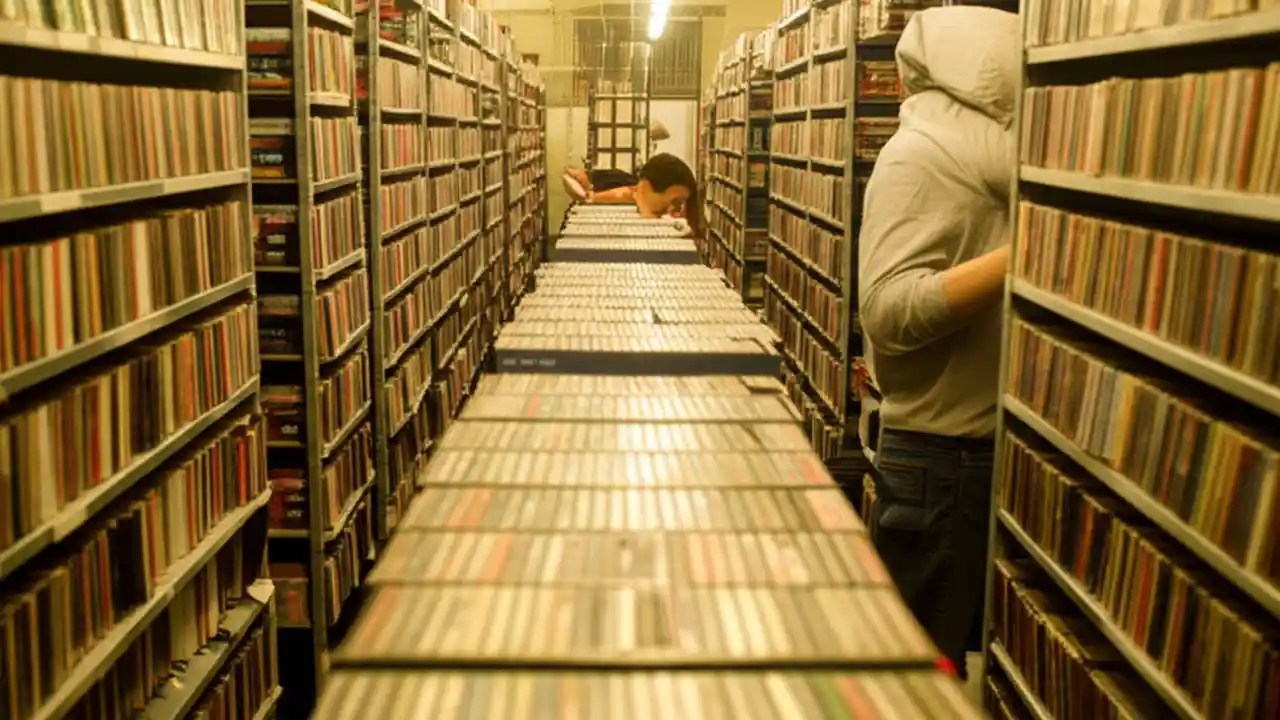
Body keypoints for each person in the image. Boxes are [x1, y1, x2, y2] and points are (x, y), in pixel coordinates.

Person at [856, 6, 1019, 676]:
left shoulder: (969, 152)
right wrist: (1025, 258)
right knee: (919, 679)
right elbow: (888, 310)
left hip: (964, 454)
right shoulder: (921, 156)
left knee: (926, 675)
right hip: (940, 455)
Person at [562, 152, 700, 230]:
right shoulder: (622, 187)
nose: (675, 210)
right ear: (649, 187)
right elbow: (569, 176)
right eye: (675, 201)